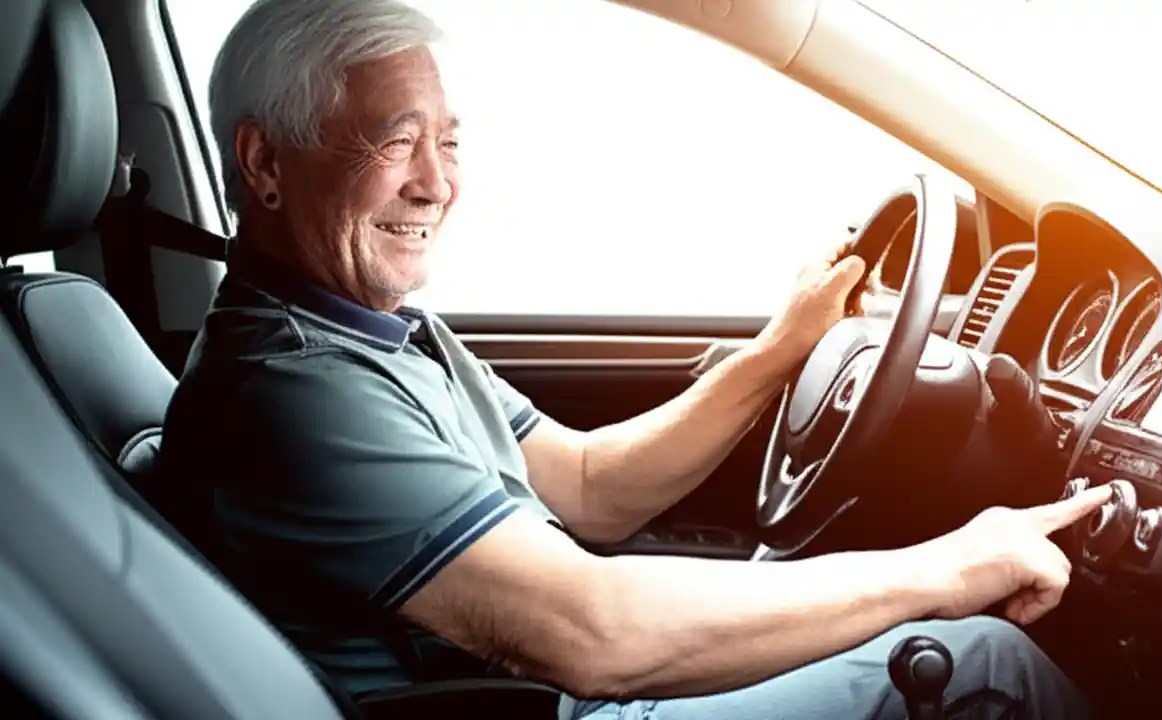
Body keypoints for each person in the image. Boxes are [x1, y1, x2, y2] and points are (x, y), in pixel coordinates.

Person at [159, 0, 1109, 717]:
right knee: (987, 661)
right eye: (394, 141)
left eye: (447, 141)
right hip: (560, 702)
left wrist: (784, 349)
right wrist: (947, 567)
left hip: (566, 690)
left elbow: (587, 482)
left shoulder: (378, 332)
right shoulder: (293, 393)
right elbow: (594, 633)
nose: (438, 182)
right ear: (266, 165)